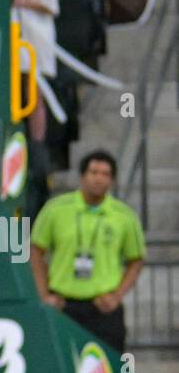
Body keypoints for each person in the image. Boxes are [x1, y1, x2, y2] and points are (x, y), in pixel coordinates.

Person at [30, 151, 145, 354]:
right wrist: (43, 294)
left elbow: (136, 260)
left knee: (108, 372)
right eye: (93, 172)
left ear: (112, 180)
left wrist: (117, 296)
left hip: (103, 308)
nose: (98, 179)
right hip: (63, 305)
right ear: (82, 176)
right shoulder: (56, 209)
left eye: (105, 174)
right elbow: (35, 250)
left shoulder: (124, 216)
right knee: (63, 369)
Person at [0, 0, 58, 147]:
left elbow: (50, 4)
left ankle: (37, 146)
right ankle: (8, 140)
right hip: (7, 35)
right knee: (8, 89)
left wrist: (21, 1)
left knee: (35, 92)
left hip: (35, 35)